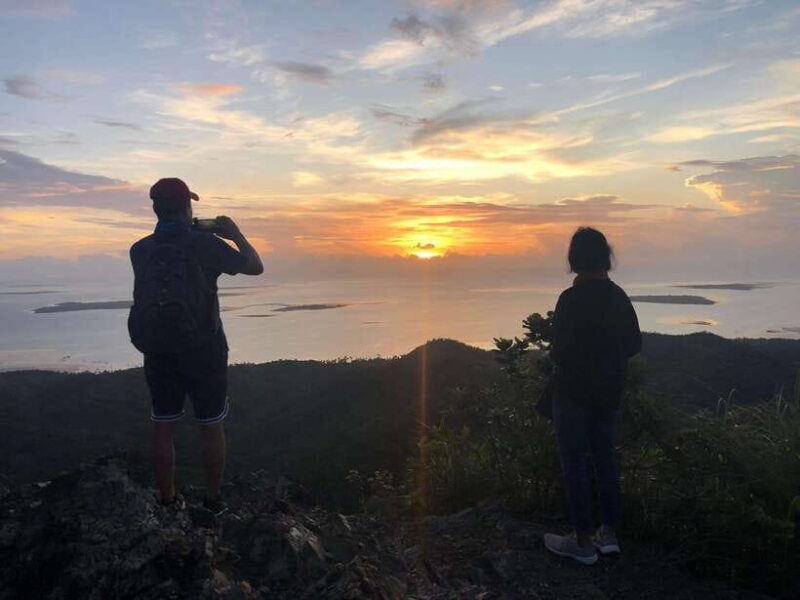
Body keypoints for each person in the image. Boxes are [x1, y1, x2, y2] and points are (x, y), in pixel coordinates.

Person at [128, 178, 263, 514]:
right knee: (210, 424)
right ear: (187, 206)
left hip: (158, 350)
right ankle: (213, 502)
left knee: (163, 426)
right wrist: (234, 234)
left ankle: (167, 499)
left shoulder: (139, 250)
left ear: (156, 208)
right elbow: (255, 266)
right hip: (204, 350)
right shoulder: (205, 245)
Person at [543, 227, 641, 565]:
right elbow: (633, 345)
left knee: (575, 465)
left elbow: (558, 351)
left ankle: (582, 542)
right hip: (608, 392)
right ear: (606, 257)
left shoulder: (570, 300)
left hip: (571, 394)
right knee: (605, 460)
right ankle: (608, 534)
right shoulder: (618, 297)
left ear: (574, 260)